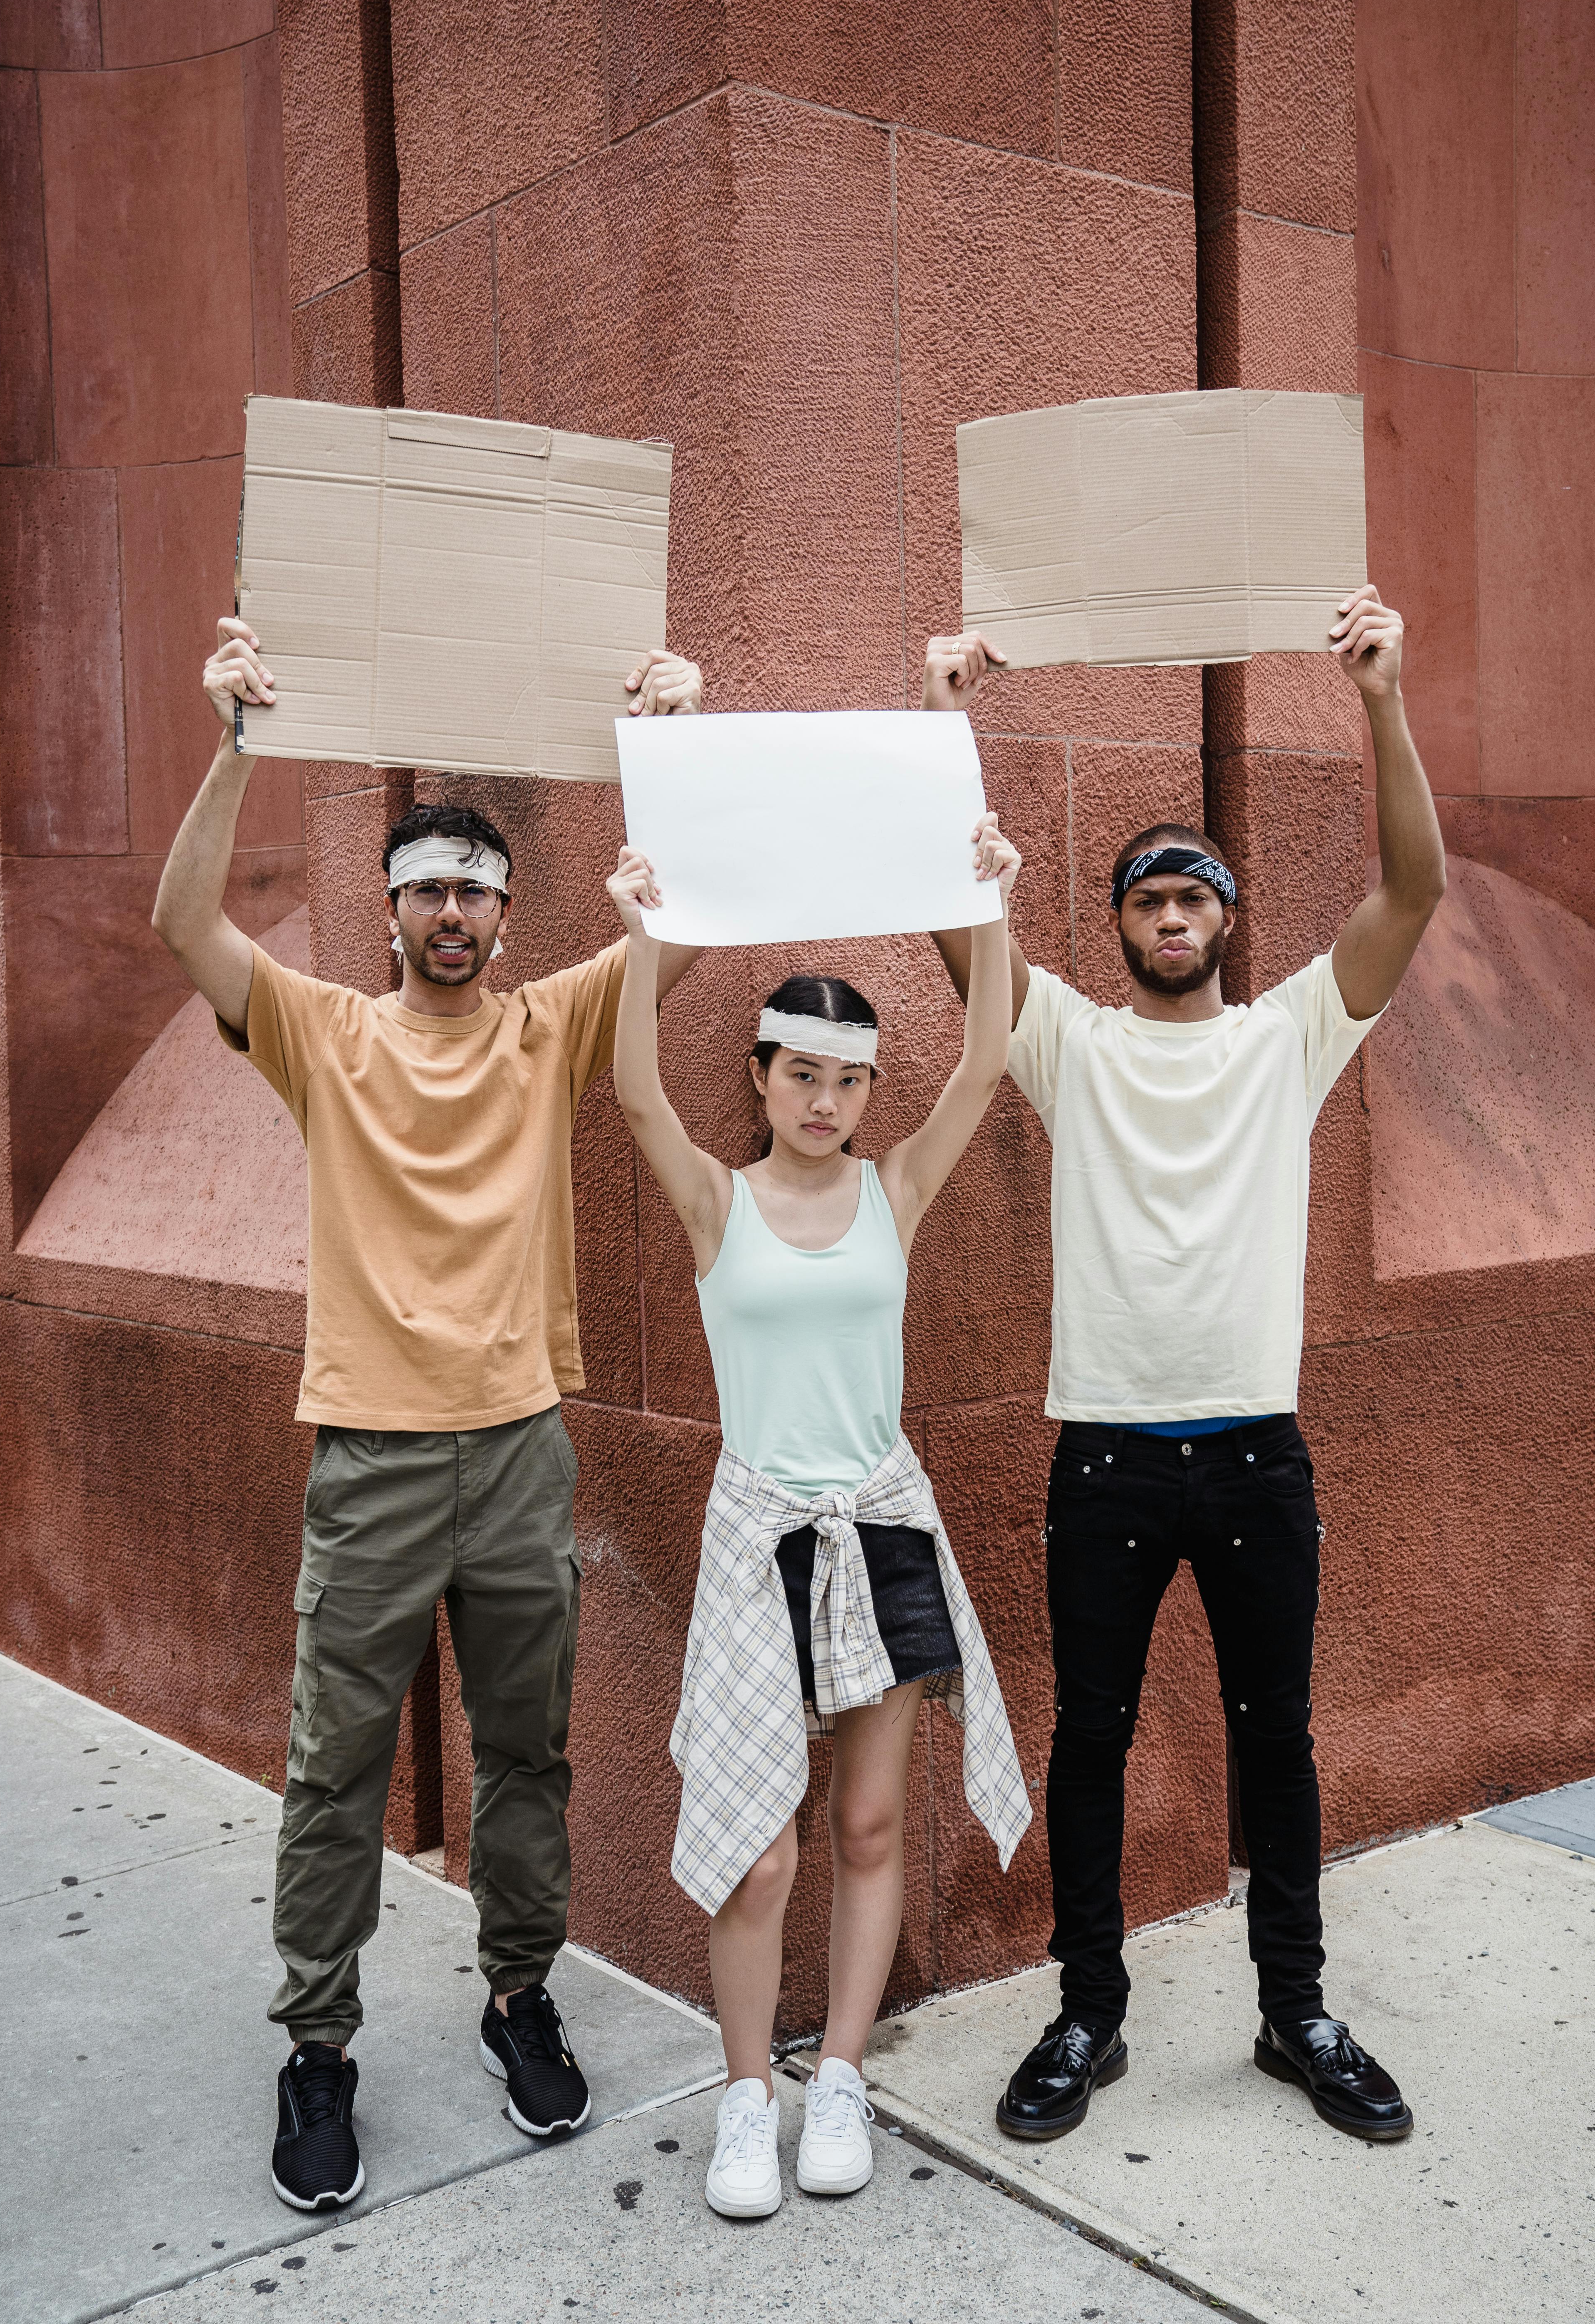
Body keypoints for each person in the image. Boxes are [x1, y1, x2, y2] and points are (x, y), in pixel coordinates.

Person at [152, 617, 705, 2211]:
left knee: (527, 1753)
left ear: (508, 913)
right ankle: (318, 2046)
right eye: (426, 889)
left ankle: (518, 2000)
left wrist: (661, 742)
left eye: (475, 888)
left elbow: (684, 911)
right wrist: (239, 737)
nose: (451, 910)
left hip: (522, 1449)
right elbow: (184, 919)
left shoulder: (554, 1029)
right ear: (387, 911)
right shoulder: (327, 1036)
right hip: (377, 1460)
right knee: (335, 1769)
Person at [922, 585, 1445, 2148]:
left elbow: (1412, 892)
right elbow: (962, 940)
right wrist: (950, 715)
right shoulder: (1066, 1041)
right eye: (1149, 899)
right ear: (1119, 925)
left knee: (1273, 1738)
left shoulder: (1287, 1038)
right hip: (1105, 1455)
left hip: (1257, 1455)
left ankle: (1297, 2014)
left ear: (1227, 923)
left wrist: (1380, 699)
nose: (1172, 920)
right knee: (1090, 1736)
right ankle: (1090, 2015)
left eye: (1195, 900)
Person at [605, 821, 1034, 2223]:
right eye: (806, 1075)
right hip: (760, 1535)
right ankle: (748, 2094)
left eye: (852, 1081)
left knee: (864, 1823)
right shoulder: (713, 1201)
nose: (830, 1102)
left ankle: (839, 2072)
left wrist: (986, 897)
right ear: (763, 1074)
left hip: (884, 1525)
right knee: (760, 1839)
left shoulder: (893, 1191)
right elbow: (626, 1080)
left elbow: (986, 1052)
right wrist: (649, 916)